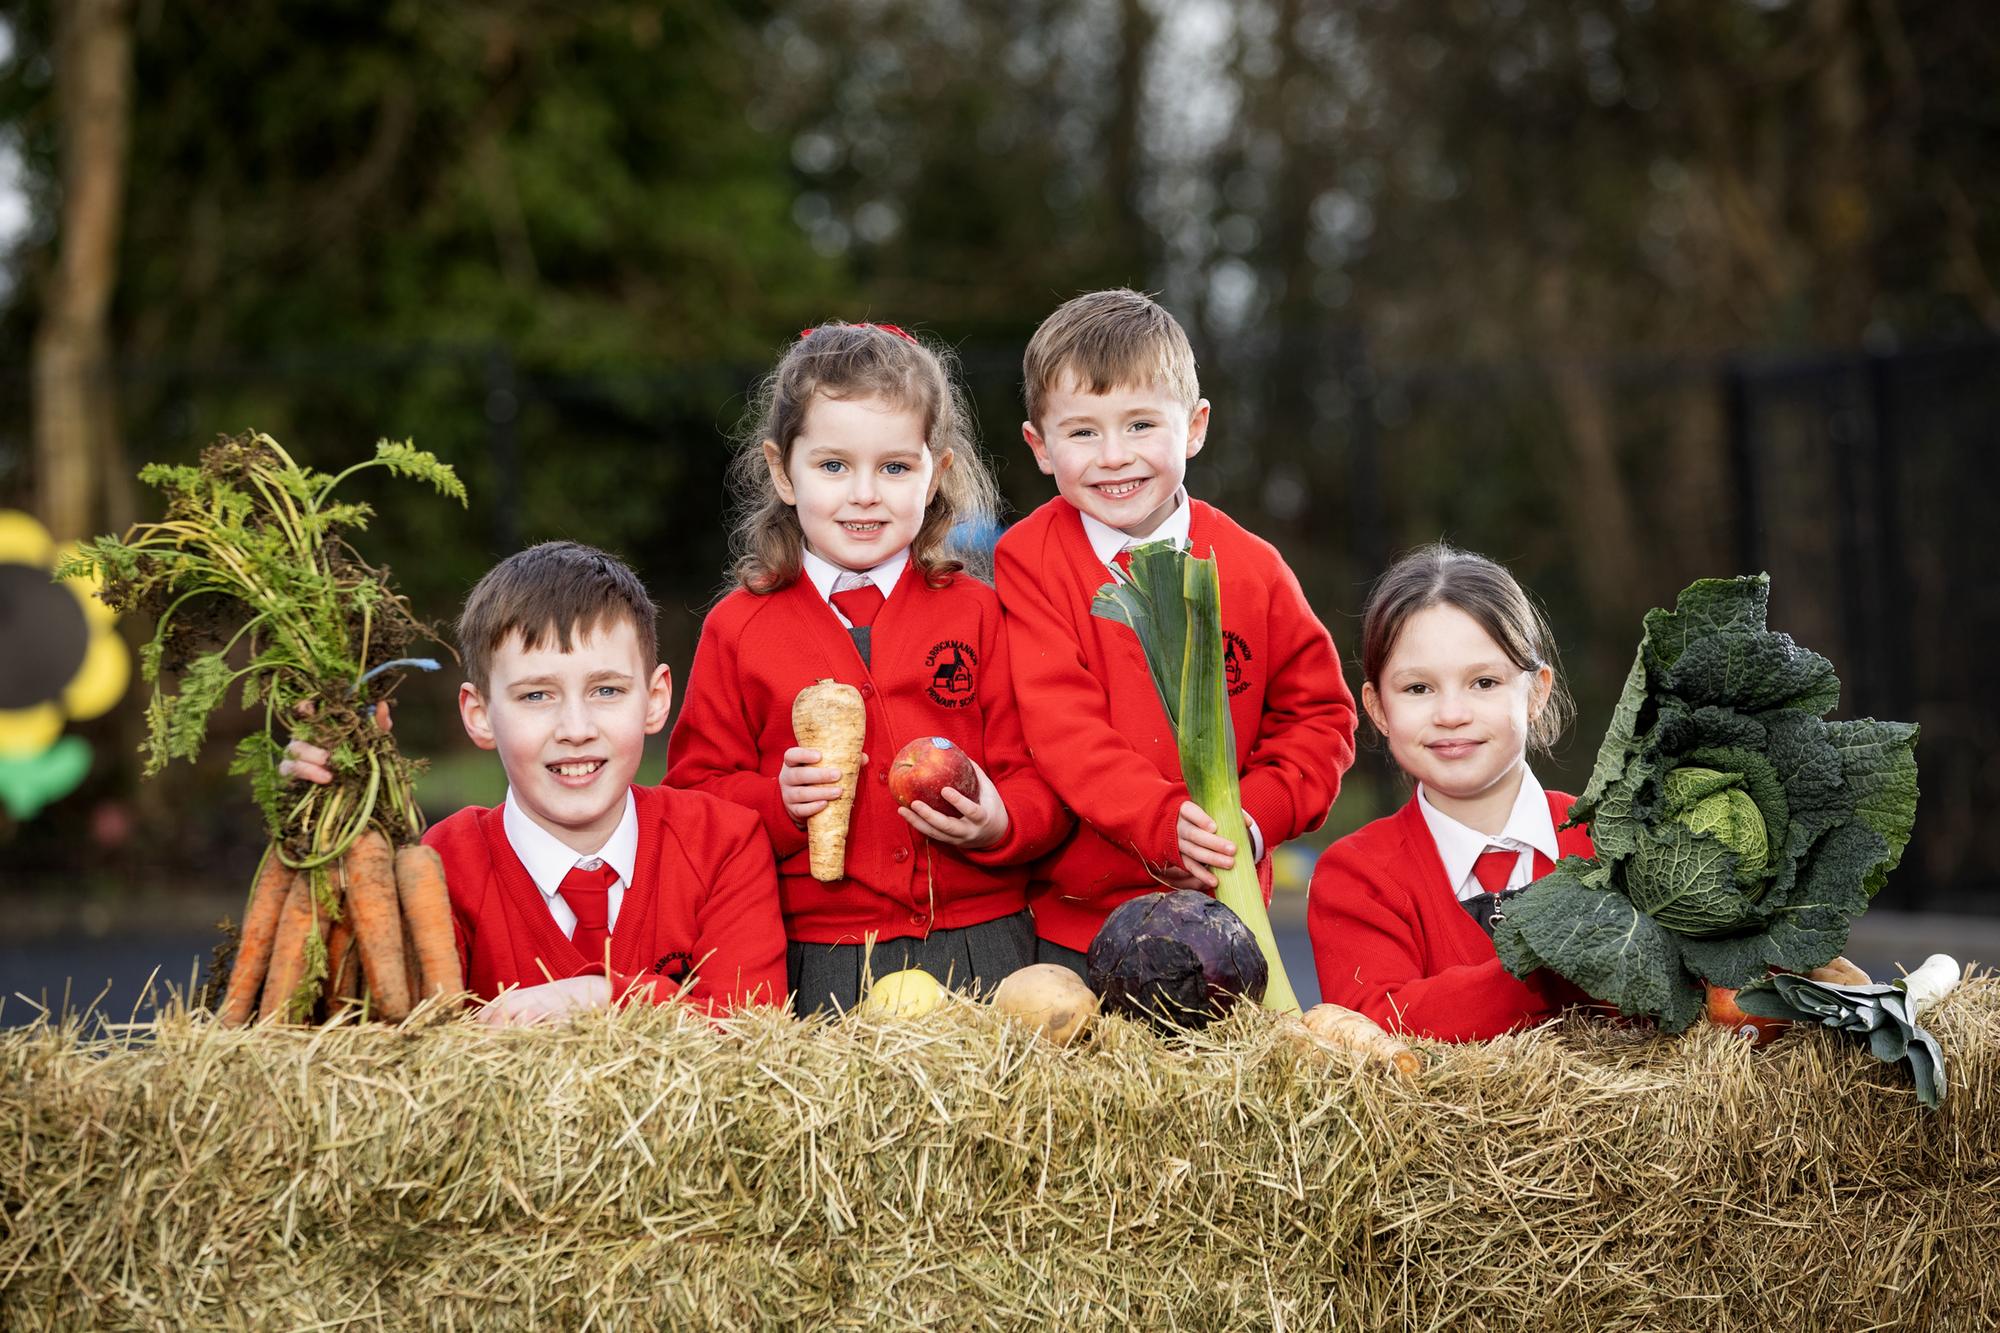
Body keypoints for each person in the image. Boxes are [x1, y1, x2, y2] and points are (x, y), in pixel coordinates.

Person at [666, 321, 1069, 1015]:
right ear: (780, 472)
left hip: (984, 948)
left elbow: (1044, 771)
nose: (863, 494)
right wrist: (779, 803)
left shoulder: (981, 614)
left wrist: (1002, 821)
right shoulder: (737, 629)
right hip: (820, 957)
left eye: (894, 467)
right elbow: (693, 801)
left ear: (935, 474)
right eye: (832, 466)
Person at [992, 288, 1357, 977]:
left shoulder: (1252, 567)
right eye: (1082, 432)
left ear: (1194, 426)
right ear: (1040, 447)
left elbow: (1321, 719)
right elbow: (1062, 728)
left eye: (1139, 425)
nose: (1112, 455)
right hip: (1076, 924)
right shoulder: (1029, 558)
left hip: (1227, 920)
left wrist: (1250, 819)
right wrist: (1162, 821)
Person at [283, 541, 787, 1025]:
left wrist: (602, 995)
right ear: (479, 715)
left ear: (655, 700)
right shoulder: (442, 865)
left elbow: (751, 1031)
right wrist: (332, 828)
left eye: (606, 690)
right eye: (536, 696)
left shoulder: (723, 845)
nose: (575, 729)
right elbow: (376, 1034)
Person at [1307, 543, 1592, 1041]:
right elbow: (1377, 1030)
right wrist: (1550, 966)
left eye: (1484, 682)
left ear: (1537, 692)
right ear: (1377, 709)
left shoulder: (1614, 841)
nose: (1451, 714)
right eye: (1419, 689)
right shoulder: (1354, 878)